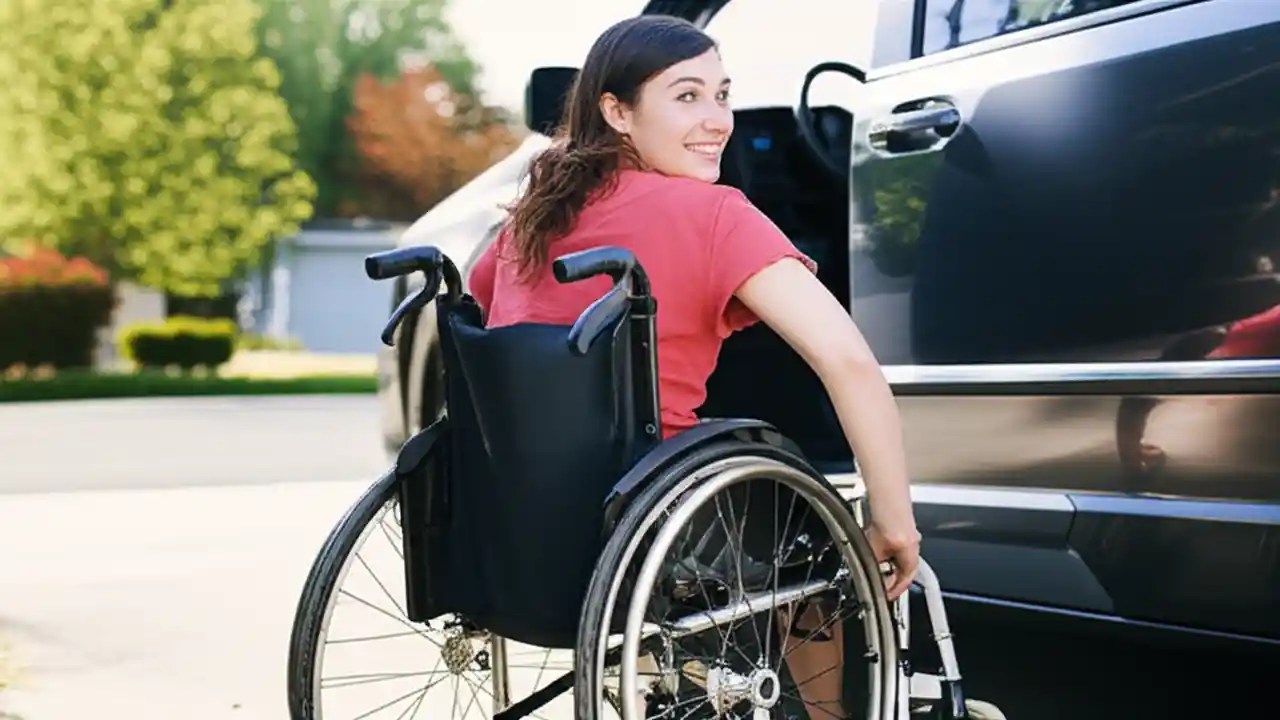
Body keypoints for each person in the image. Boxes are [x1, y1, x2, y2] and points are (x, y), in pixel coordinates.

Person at [467, 14, 920, 719]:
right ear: (616, 111)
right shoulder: (714, 214)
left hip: (526, 517)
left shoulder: (531, 216)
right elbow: (849, 361)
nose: (717, 121)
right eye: (687, 97)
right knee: (809, 523)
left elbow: (484, 325)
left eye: (723, 94)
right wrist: (894, 519)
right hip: (653, 511)